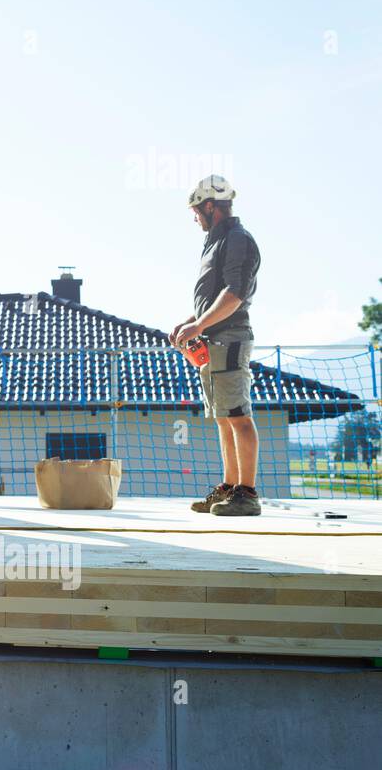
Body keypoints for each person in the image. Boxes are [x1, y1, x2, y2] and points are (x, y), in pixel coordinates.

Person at [171, 174, 262, 516]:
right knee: (223, 417)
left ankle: (247, 494)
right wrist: (190, 321)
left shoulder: (238, 239)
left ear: (211, 206)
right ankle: (229, 488)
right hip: (213, 338)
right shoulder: (216, 240)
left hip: (231, 338)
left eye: (196, 210)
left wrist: (198, 324)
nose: (194, 216)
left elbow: (234, 294)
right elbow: (214, 296)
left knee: (238, 416)